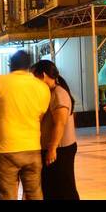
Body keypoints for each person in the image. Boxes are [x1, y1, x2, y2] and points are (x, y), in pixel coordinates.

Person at [0, 49, 50, 200]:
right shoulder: (42, 87)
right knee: (34, 194)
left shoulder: (1, 81)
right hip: (32, 149)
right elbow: (41, 114)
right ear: (29, 66)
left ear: (11, 65)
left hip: (6, 150)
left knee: (7, 195)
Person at [31, 60, 80, 201]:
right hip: (55, 148)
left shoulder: (59, 94)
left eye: (35, 77)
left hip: (61, 149)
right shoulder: (50, 93)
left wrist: (52, 148)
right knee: (51, 188)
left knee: (64, 187)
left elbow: (60, 123)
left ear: (44, 75)